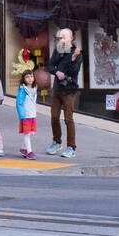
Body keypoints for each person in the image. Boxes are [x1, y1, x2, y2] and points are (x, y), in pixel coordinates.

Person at [45, 27, 83, 158]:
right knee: (54, 117)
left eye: (64, 37)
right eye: (60, 37)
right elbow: (49, 66)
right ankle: (56, 142)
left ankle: (71, 147)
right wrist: (56, 72)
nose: (61, 39)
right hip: (57, 89)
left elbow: (74, 72)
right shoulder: (58, 50)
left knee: (68, 119)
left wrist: (72, 58)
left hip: (69, 90)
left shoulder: (77, 53)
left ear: (71, 38)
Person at [16, 69, 38, 159]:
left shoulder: (34, 88)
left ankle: (23, 148)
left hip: (32, 114)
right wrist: (22, 115)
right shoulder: (22, 90)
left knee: (32, 133)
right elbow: (19, 103)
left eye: (31, 76)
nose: (30, 79)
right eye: (27, 77)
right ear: (24, 79)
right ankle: (29, 152)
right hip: (25, 115)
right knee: (27, 133)